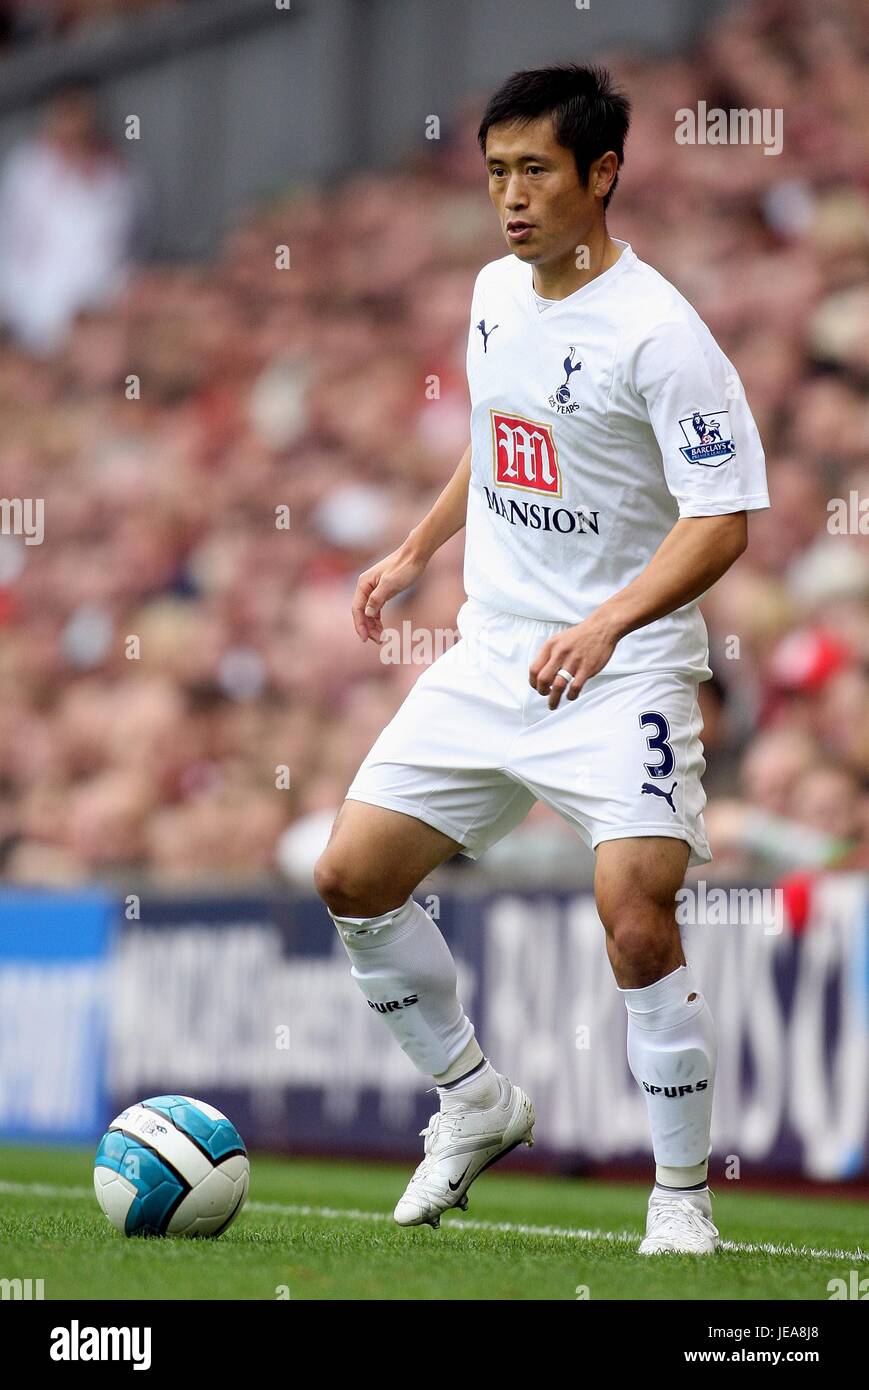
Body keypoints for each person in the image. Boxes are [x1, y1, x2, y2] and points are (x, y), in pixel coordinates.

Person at [314, 64, 770, 1254]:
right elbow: (498, 436)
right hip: (490, 654)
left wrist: (611, 619)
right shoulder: (491, 293)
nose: (509, 198)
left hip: (619, 673)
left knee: (634, 912)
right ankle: (472, 1102)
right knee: (350, 876)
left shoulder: (662, 334)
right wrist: (416, 547)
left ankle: (679, 1198)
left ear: (600, 174)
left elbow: (720, 516)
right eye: (494, 173)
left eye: (533, 172)